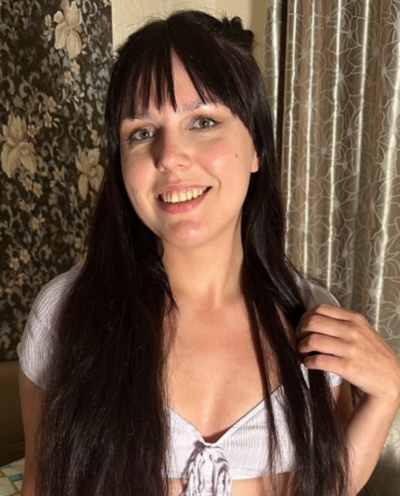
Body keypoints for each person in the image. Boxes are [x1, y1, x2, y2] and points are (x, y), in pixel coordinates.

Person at [18, 10, 400, 496]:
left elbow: (326, 486)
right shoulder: (65, 313)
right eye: (141, 132)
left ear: (256, 147)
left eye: (202, 121)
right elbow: (41, 483)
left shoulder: (310, 316)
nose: (169, 156)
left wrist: (386, 394)